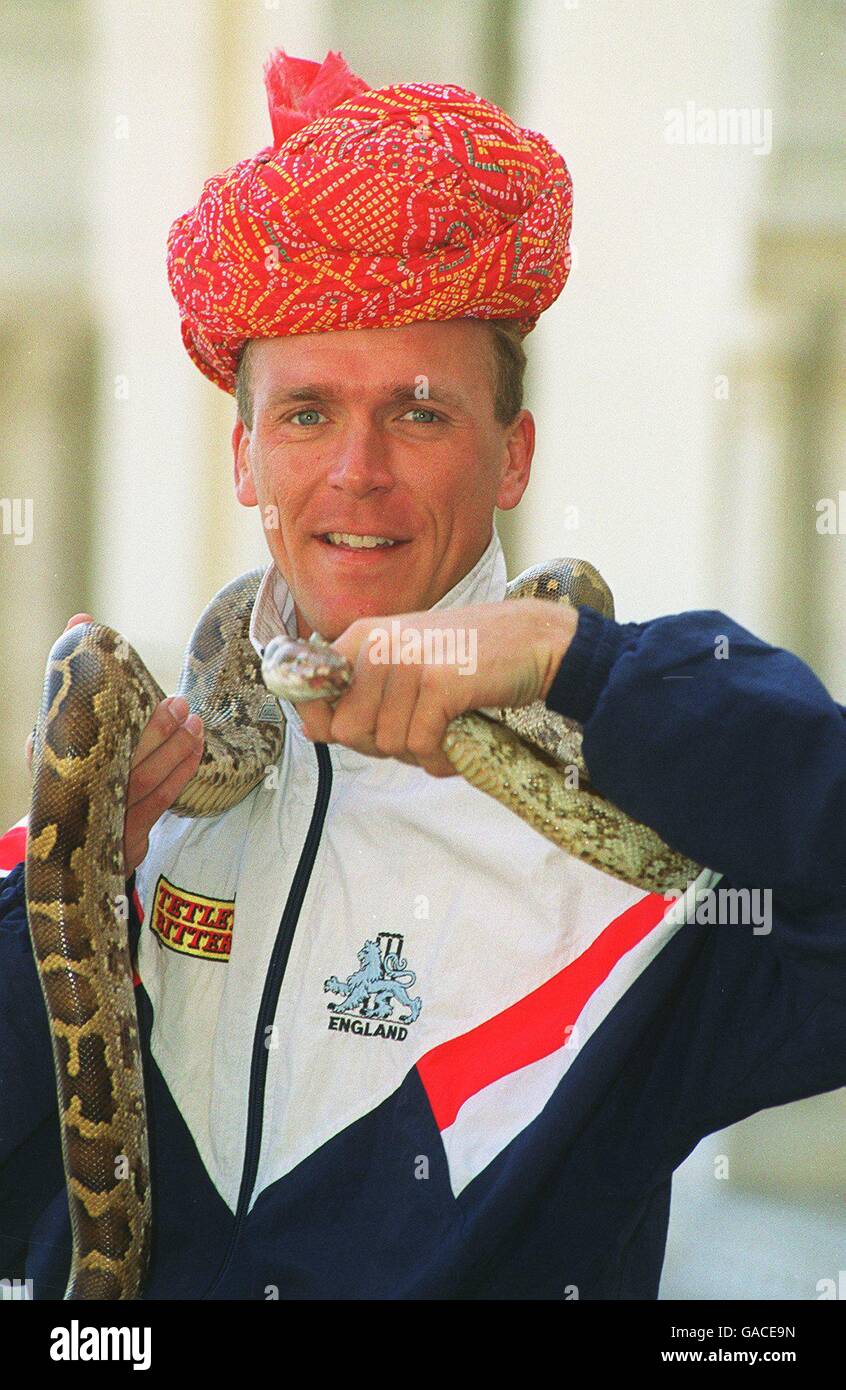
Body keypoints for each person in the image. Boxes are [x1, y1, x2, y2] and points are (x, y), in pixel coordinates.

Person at [1, 48, 844, 1302]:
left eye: (420, 411)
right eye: (305, 415)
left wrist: (577, 661)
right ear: (243, 457)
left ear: (514, 457)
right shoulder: (134, 800)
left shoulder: (643, 868)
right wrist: (62, 912)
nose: (358, 471)